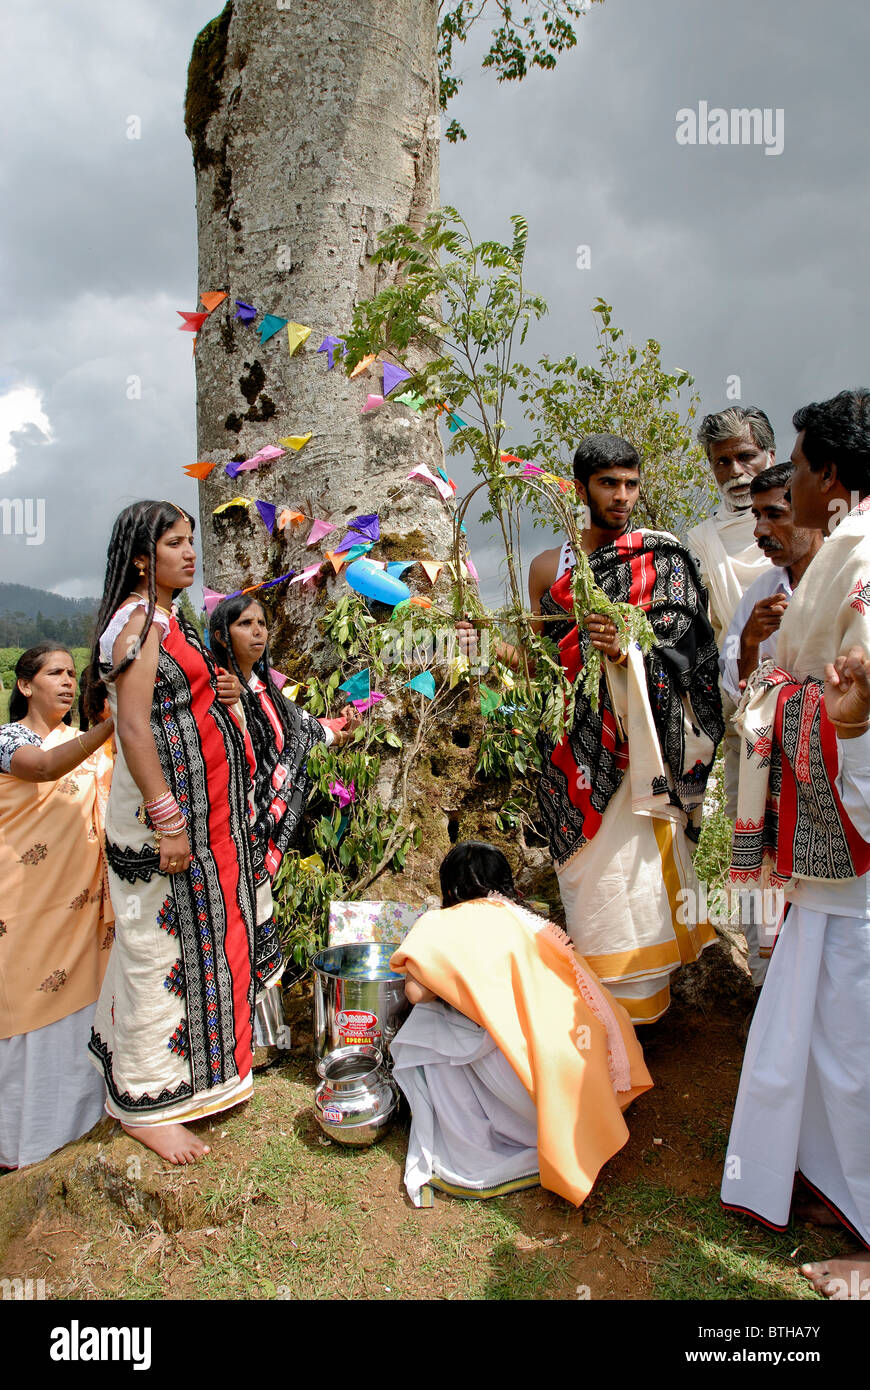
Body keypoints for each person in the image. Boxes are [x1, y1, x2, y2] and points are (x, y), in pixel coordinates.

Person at [463, 434, 723, 1023]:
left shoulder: (663, 557)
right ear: (581, 489)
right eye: (609, 484)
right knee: (593, 877)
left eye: (632, 483)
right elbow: (540, 664)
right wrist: (478, 644)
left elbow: (694, 651)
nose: (623, 496)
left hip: (644, 748)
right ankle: (607, 1013)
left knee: (643, 878)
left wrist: (630, 649)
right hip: (572, 749)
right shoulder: (547, 568)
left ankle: (646, 1007)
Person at [720, 389, 870, 1299]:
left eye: (802, 466)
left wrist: (818, 702)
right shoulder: (849, 549)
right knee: (825, 1013)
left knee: (853, 1026)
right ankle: (840, 1184)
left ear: (833, 476)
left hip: (853, 823)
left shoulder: (856, 550)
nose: (791, 484)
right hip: (837, 832)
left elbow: (856, 695)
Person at [86, 500, 259, 1165]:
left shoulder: (162, 618)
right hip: (160, 826)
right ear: (140, 559)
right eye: (176, 544)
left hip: (195, 819)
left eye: (193, 541)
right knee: (155, 955)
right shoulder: (136, 623)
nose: (191, 553)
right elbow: (132, 727)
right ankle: (145, 1104)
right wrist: (168, 819)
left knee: (185, 950)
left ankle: (195, 1084)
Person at [388, 841, 652, 1207]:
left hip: (534, 1098)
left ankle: (473, 1140)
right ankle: (559, 1134)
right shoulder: (533, 920)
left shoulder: (444, 921)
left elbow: (416, 993)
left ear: (450, 890)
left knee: (425, 1022)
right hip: (593, 1089)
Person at [208, 595, 360, 1043]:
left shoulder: (263, 687)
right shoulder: (218, 686)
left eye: (262, 624)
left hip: (262, 832)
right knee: (237, 925)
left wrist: (339, 726)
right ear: (220, 635)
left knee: (261, 918)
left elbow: (305, 729)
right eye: (245, 624)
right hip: (232, 829)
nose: (258, 632)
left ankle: (267, 1036)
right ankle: (241, 1036)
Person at [0, 645, 115, 1168]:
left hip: (80, 907)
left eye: (73, 674)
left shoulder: (85, 744)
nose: (68, 682)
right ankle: (16, 1145)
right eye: (55, 673)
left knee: (80, 1013)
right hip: (22, 904)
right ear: (25, 686)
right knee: (22, 1005)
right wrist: (112, 727)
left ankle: (73, 1129)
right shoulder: (8, 740)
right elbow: (44, 768)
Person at [719, 464, 824, 989]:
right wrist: (752, 644)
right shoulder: (761, 591)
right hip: (771, 773)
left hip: (833, 776)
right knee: (766, 883)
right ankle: (770, 993)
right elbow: (737, 692)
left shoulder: (850, 582)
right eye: (757, 516)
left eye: (775, 515)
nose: (760, 530)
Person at [688, 407, 776, 819]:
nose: (736, 471)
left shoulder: (809, 524)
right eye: (722, 461)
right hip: (742, 706)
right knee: (750, 825)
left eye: (746, 456)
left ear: (770, 456)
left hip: (817, 696)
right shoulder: (702, 541)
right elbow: (706, 634)